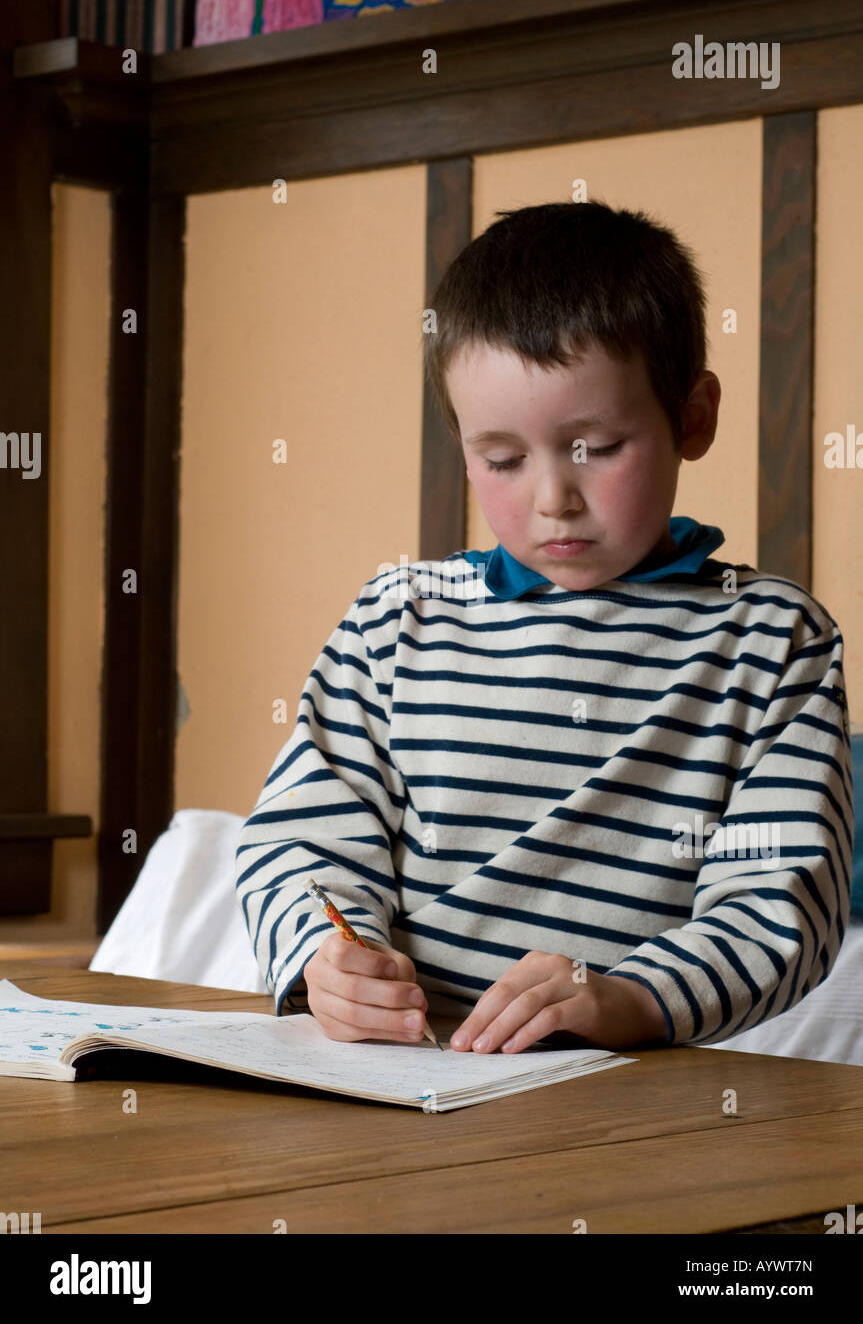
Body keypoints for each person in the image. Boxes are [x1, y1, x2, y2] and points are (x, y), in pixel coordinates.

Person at [235, 200, 853, 1055]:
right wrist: (321, 958)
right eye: (501, 459)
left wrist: (631, 1001)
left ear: (693, 417)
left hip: (614, 1099)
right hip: (394, 1080)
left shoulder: (772, 643)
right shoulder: (395, 618)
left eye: (595, 446)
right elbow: (301, 836)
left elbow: (777, 902)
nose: (552, 496)